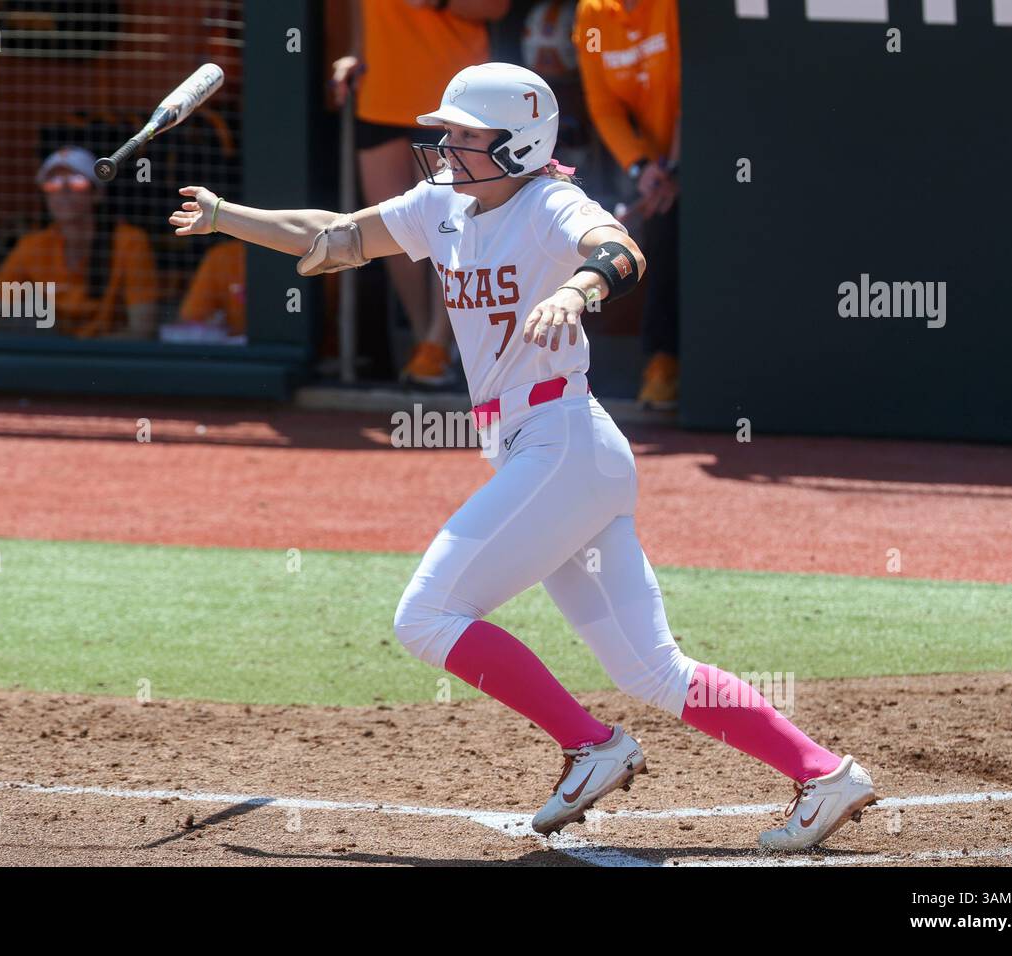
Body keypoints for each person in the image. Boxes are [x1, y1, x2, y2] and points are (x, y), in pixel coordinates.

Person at [169, 62, 877, 850]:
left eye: (467, 136)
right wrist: (228, 217)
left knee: (426, 615)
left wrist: (575, 291)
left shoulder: (549, 201)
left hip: (563, 444)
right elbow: (339, 235)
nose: (447, 146)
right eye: (449, 133)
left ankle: (591, 746)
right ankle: (825, 775)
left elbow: (621, 251)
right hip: (550, 456)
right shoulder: (442, 206)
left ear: (518, 144)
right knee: (651, 672)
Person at [331, 0, 511, 387]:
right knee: (394, 229)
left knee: (450, 224)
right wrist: (354, 55)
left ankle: (440, 340)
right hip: (380, 96)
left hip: (450, 99)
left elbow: (496, 7)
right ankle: (424, 343)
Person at [574, 0, 682, 408]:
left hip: (700, 146)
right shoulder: (593, 14)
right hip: (652, 163)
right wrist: (642, 169)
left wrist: (676, 166)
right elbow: (603, 105)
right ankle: (662, 363)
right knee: (658, 233)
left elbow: (699, 83)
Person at [0, 146, 157, 338]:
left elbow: (143, 328)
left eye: (77, 182)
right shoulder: (33, 245)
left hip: (108, 358)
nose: (64, 191)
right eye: (53, 183)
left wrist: (86, 358)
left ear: (97, 193)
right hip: (51, 355)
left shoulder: (130, 242)